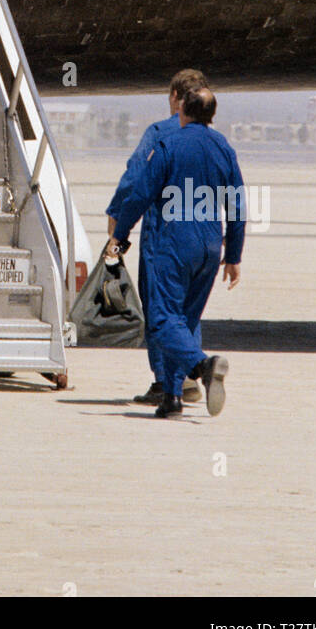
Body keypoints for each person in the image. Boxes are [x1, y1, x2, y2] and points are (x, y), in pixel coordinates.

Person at [105, 86, 245, 419]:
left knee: (163, 319)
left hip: (171, 245)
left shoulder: (168, 144)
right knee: (186, 320)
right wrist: (235, 255)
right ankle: (171, 396)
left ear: (182, 109)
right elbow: (237, 207)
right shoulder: (224, 148)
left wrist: (120, 236)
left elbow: (139, 193)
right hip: (210, 248)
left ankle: (203, 366)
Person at [106, 69, 209, 406]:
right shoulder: (213, 139)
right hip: (203, 238)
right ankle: (186, 380)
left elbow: (135, 180)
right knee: (187, 314)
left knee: (160, 309)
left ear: (175, 99)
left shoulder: (161, 132)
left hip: (162, 237)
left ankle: (168, 382)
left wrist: (117, 224)